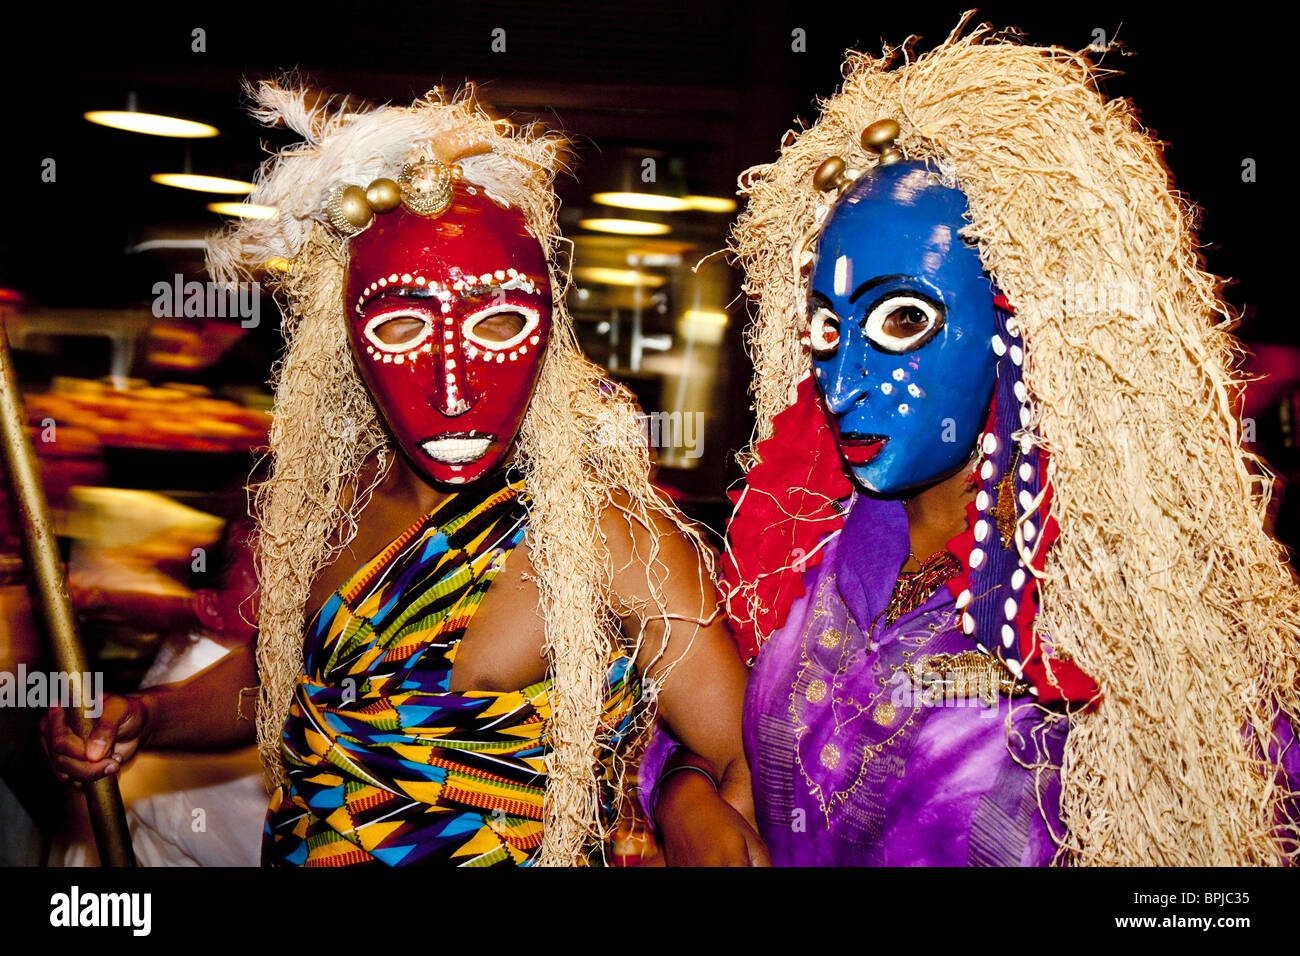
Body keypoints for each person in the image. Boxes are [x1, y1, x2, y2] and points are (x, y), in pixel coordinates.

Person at [43, 83, 765, 867]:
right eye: (404, 327)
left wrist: (686, 802)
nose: (452, 386)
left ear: (549, 336)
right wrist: (147, 717)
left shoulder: (614, 538)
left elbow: (741, 755)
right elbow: (278, 685)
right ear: (349, 344)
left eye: (497, 322)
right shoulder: (329, 511)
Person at [719, 25, 1300, 865]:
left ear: (1022, 327)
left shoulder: (1137, 619)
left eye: (902, 321)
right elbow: (718, 730)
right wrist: (686, 794)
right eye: (827, 329)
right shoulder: (800, 550)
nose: (840, 385)